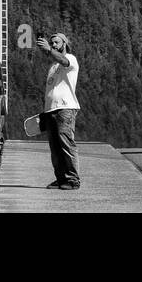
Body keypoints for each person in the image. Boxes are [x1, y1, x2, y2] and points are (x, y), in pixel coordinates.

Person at [36, 32, 80, 190]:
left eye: (56, 42)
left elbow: (63, 60)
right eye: (52, 42)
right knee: (55, 148)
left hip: (65, 108)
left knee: (66, 144)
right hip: (51, 110)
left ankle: (73, 180)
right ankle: (61, 178)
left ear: (64, 44)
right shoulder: (53, 66)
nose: (53, 44)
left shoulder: (70, 59)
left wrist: (48, 50)